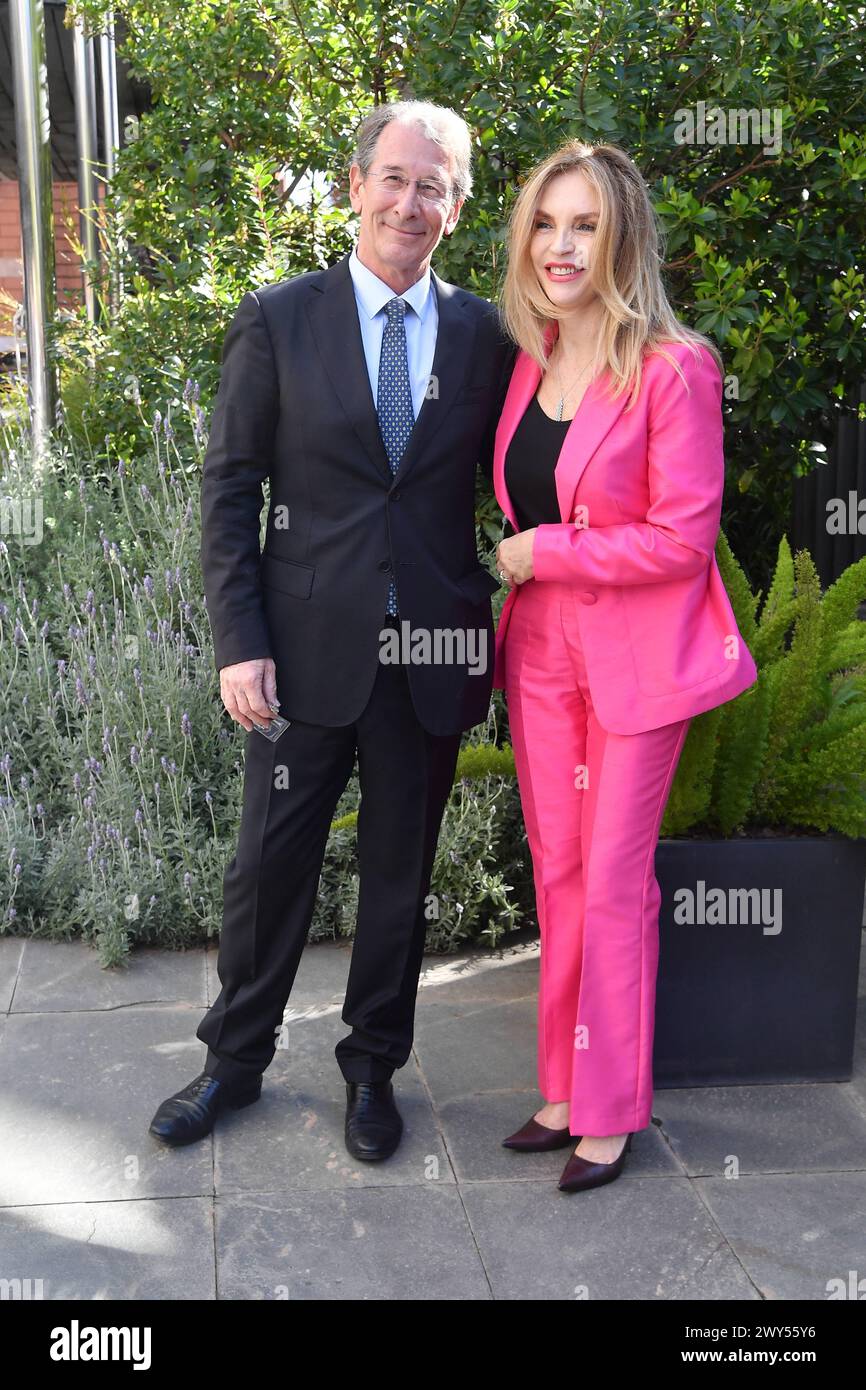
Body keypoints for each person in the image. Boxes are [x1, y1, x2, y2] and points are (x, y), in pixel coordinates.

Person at [148, 100, 515, 1159]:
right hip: (299, 655)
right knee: (268, 867)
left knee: (400, 868)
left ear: (456, 202)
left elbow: (518, 471)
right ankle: (232, 1063)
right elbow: (228, 490)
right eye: (393, 177)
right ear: (354, 185)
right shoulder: (278, 320)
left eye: (433, 183)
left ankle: (371, 1073)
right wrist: (238, 639)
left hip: (429, 653)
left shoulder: (486, 338)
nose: (410, 201)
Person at [492, 140, 758, 1192]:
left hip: (636, 661)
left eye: (584, 225)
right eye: (545, 224)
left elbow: (681, 540)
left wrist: (542, 551)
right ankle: (560, 1084)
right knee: (557, 872)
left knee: (609, 881)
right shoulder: (530, 354)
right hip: (541, 653)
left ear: (621, 237)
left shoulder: (671, 365)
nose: (560, 246)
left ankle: (609, 1110)